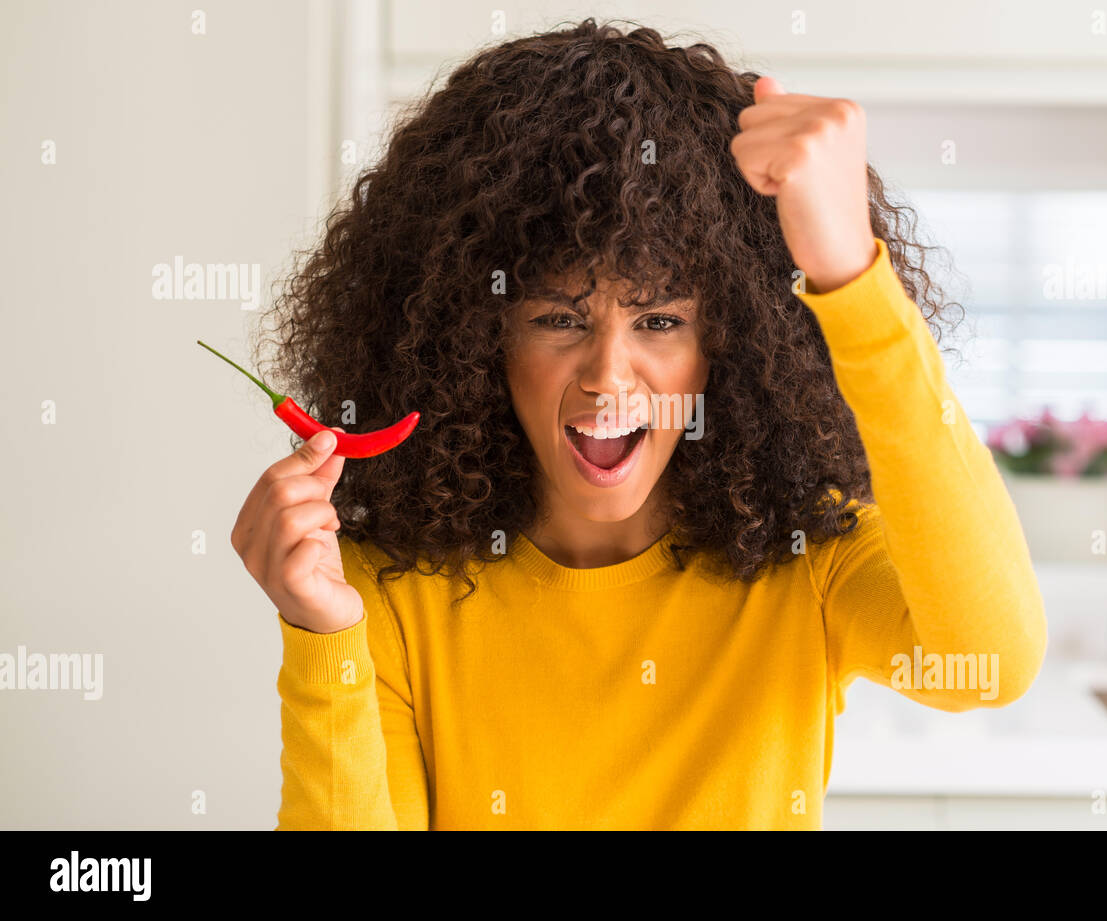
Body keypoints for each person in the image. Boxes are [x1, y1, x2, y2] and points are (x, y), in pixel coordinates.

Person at [231, 19, 1047, 830]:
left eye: (659, 321)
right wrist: (322, 637)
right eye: (559, 318)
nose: (607, 376)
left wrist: (848, 276)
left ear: (728, 343)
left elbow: (989, 664)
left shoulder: (807, 556)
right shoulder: (382, 590)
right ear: (482, 341)